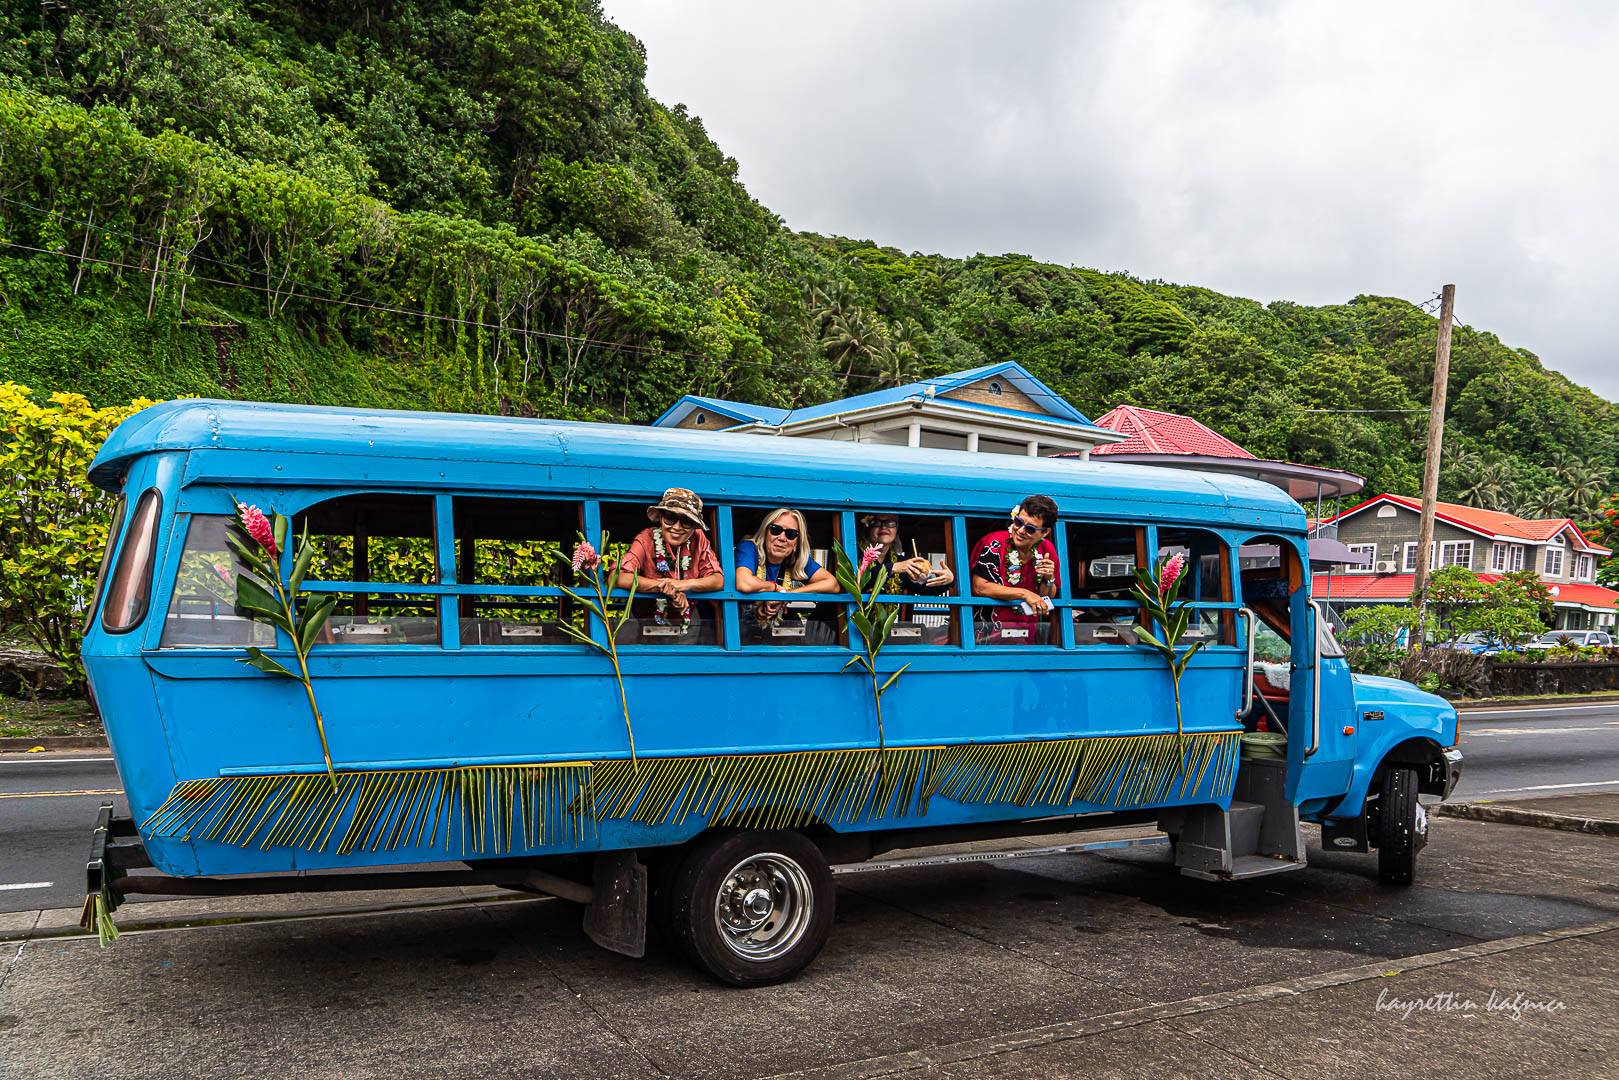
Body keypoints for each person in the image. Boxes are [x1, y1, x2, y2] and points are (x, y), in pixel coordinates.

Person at [616, 488, 723, 640]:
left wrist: (681, 585)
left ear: (694, 526)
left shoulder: (699, 539)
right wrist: (662, 586)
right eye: (671, 518)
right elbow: (621, 578)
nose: (677, 527)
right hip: (644, 620)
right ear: (660, 517)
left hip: (687, 620)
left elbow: (718, 580)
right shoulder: (646, 538)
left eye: (686, 521)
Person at [736, 508, 838, 643]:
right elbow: (744, 583)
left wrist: (786, 595)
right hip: (736, 631)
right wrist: (774, 588)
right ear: (765, 532)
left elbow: (833, 584)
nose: (782, 538)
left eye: (791, 534)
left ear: (796, 543)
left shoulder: (795, 558)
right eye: (775, 530)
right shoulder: (749, 548)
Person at [970, 495, 1060, 644]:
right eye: (1018, 522)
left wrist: (1049, 579)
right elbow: (979, 587)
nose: (1021, 531)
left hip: (1026, 634)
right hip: (986, 635)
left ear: (1045, 533)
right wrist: (1024, 594)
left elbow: (1045, 597)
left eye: (1030, 529)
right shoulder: (995, 543)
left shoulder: (1046, 550)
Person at [856, 513, 954, 596]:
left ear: (896, 529)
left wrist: (948, 580)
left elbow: (923, 588)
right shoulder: (855, 554)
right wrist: (893, 568)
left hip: (886, 619)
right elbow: (857, 580)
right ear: (868, 527)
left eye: (890, 523)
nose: (883, 527)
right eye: (876, 523)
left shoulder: (900, 561)